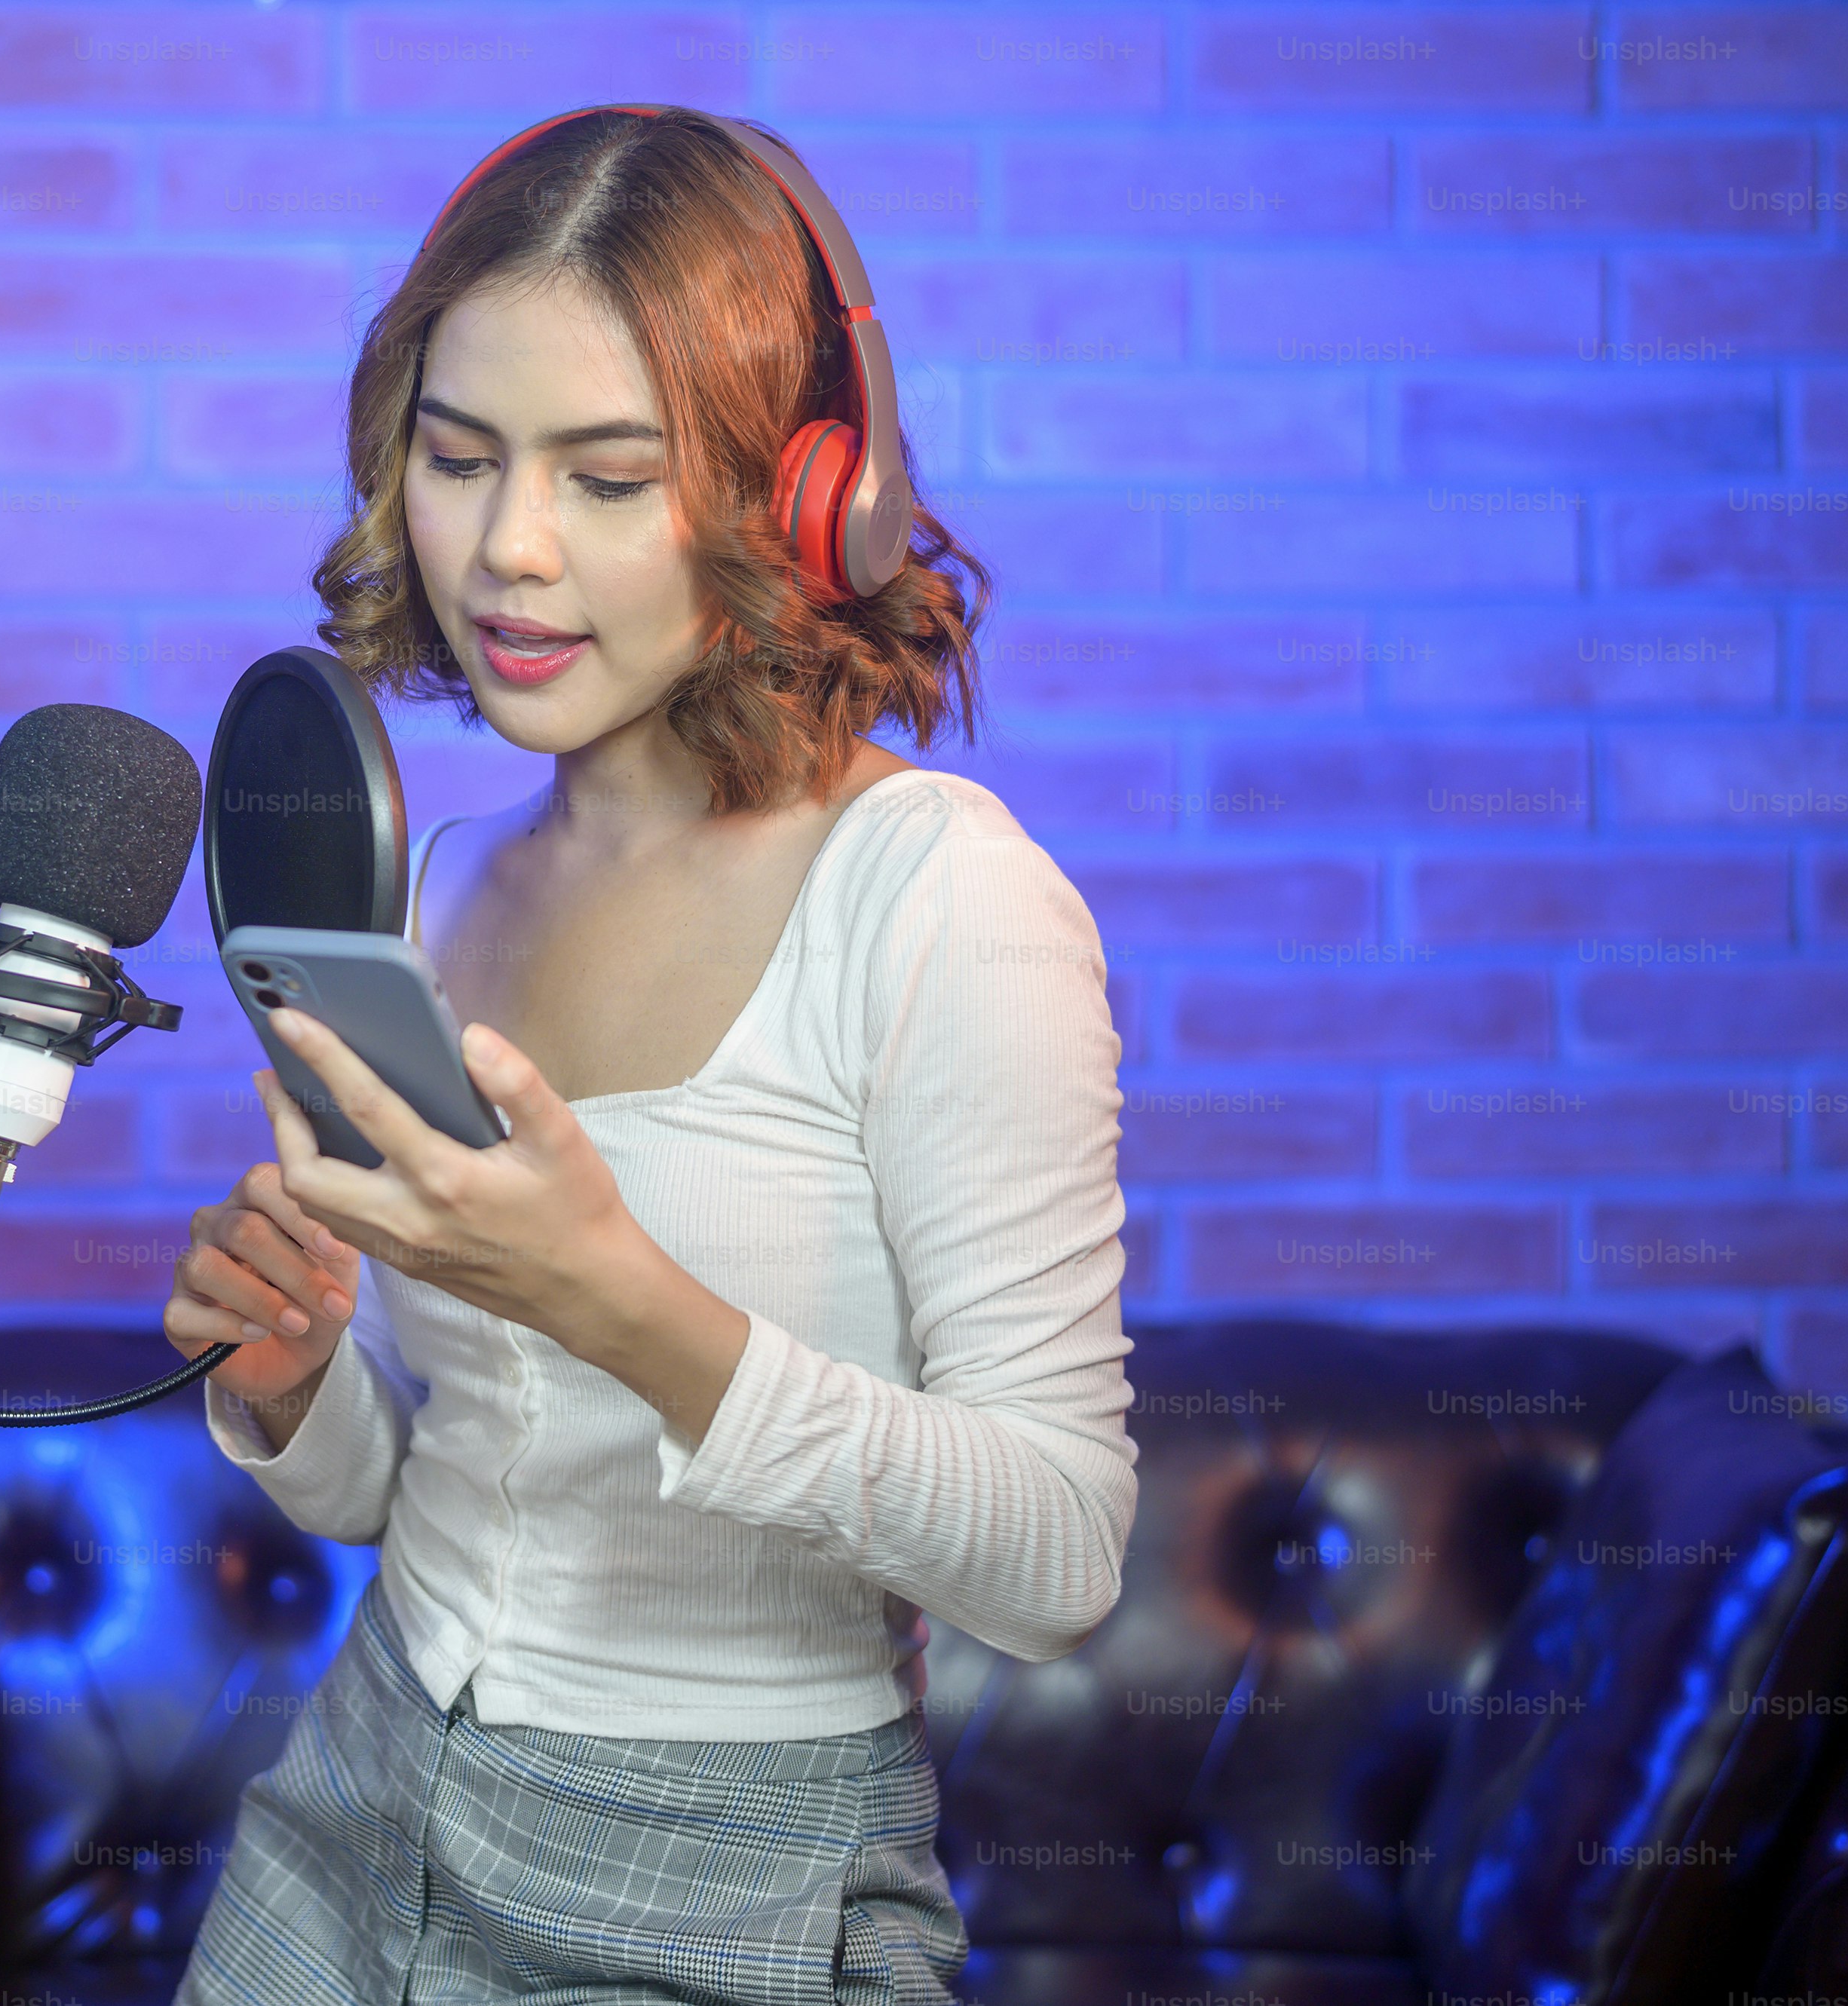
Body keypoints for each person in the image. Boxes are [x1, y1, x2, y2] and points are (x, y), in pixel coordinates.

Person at [164, 105, 1135, 2006]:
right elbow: (461, 1488)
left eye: (608, 481)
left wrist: (619, 1298)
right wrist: (295, 1388)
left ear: (802, 500)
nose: (506, 552)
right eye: (457, 457)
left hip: (724, 1874)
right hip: (347, 1810)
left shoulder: (936, 897)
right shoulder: (431, 892)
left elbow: (1055, 1552)